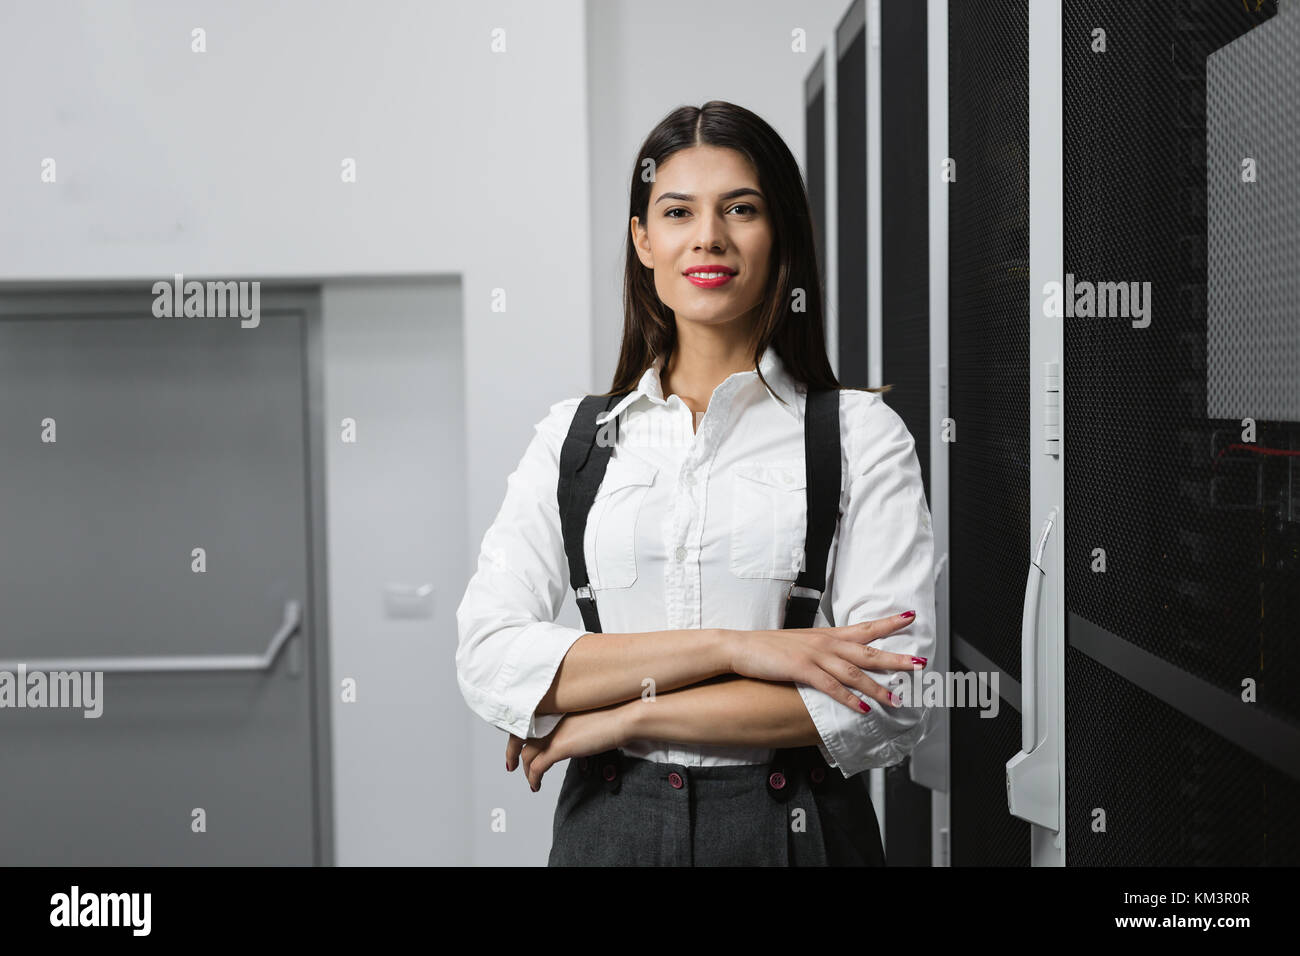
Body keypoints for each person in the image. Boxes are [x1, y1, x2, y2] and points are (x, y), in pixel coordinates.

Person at [455, 100, 935, 866]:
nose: (708, 236)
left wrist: (619, 719)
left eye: (740, 209)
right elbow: (491, 655)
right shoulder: (574, 440)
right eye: (678, 211)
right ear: (644, 239)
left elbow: (893, 694)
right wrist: (740, 649)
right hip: (609, 833)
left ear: (778, 234)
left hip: (797, 828)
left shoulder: (858, 435)